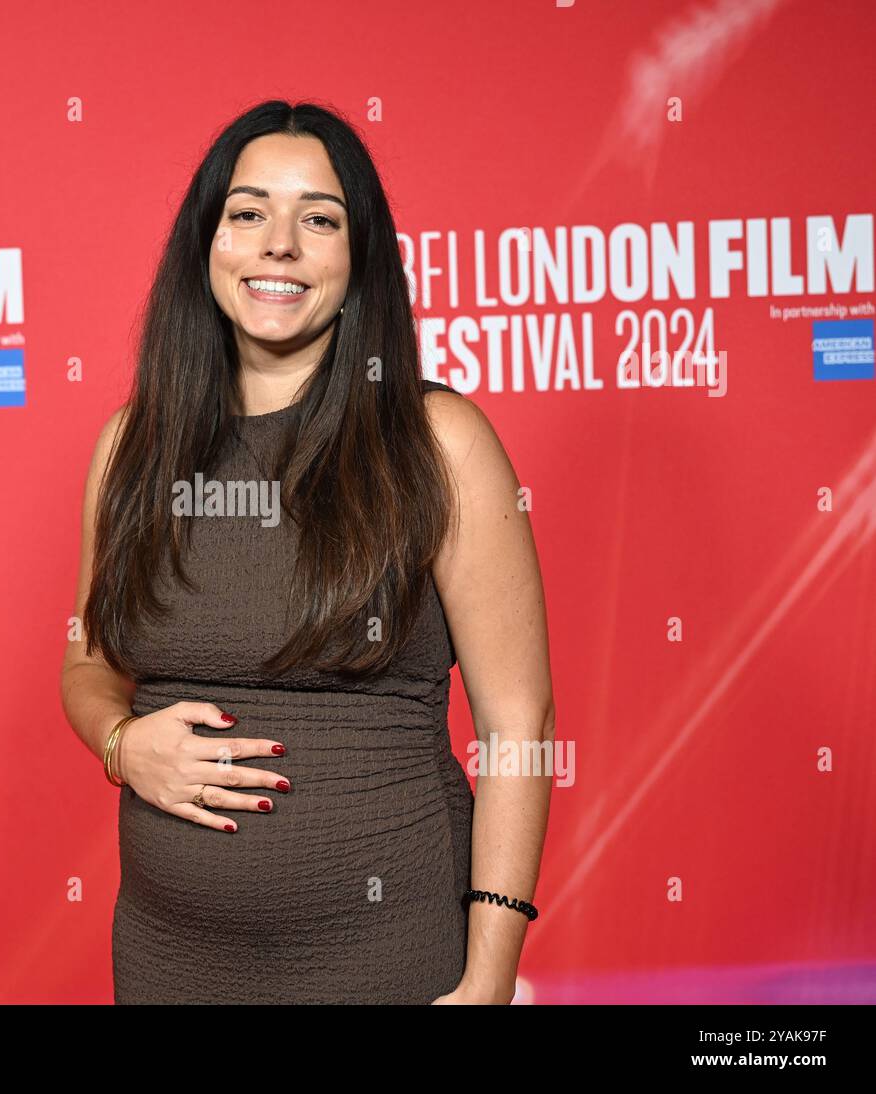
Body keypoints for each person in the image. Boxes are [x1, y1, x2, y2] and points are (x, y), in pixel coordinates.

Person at [60, 100, 554, 1004]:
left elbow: (517, 727)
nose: (278, 243)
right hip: (170, 960)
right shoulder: (130, 446)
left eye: (318, 219)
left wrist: (489, 974)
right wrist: (122, 742)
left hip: (389, 952)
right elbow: (87, 663)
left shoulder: (439, 442)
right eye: (248, 213)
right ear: (206, 244)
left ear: (358, 257)